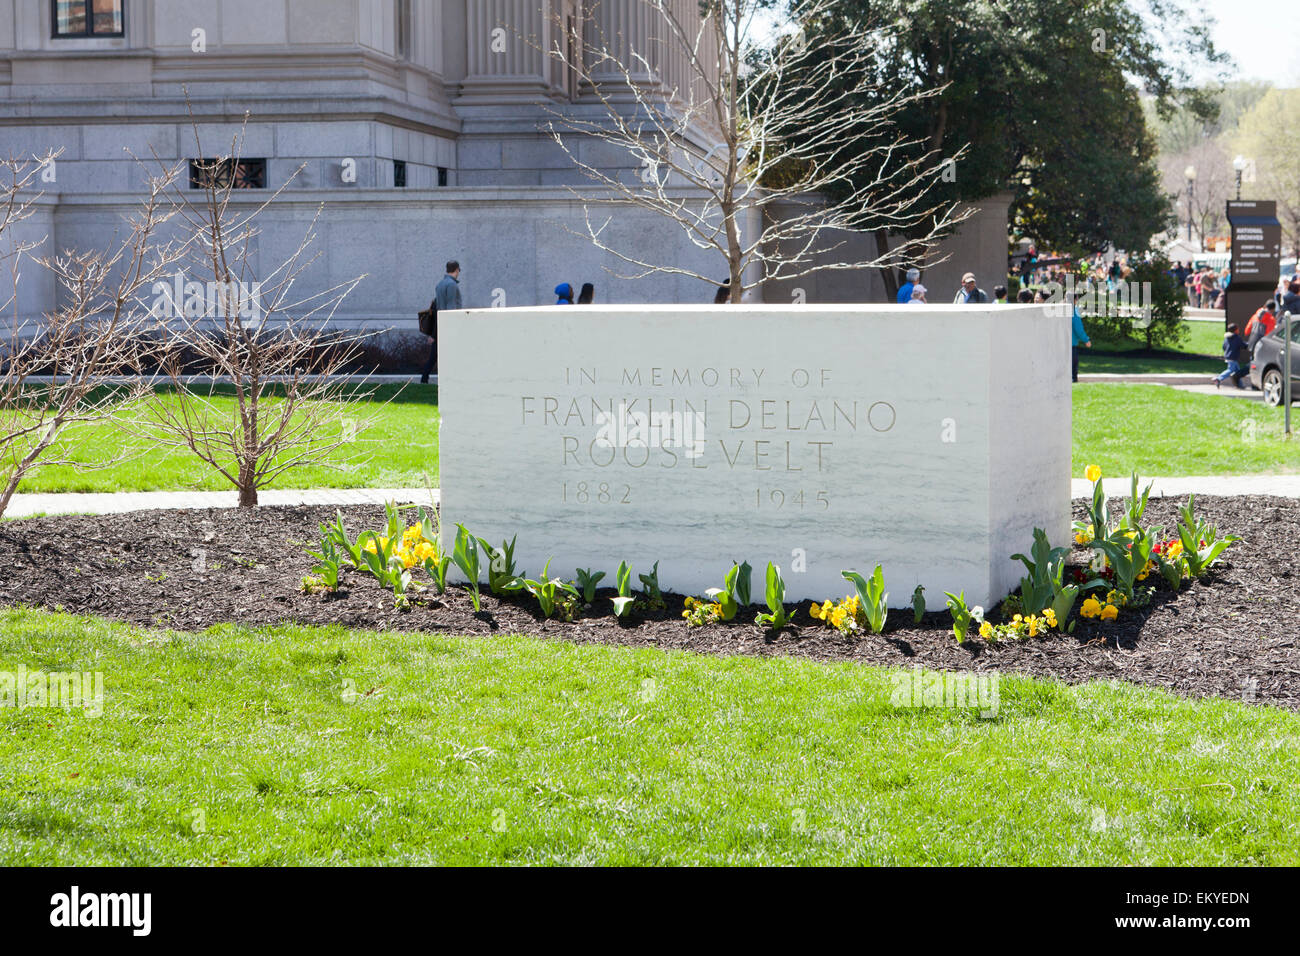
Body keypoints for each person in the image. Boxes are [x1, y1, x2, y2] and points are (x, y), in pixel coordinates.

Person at [421, 259, 461, 384]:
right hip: (448, 325)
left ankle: (424, 378)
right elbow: (451, 308)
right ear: (456, 270)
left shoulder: (440, 285)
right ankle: (452, 379)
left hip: (439, 325)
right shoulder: (452, 285)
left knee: (434, 355)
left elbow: (437, 309)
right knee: (451, 354)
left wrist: (434, 333)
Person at [1213, 324, 1249, 390]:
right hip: (1233, 357)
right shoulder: (1236, 338)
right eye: (1238, 329)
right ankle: (1218, 379)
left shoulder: (1227, 338)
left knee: (1237, 372)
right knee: (1231, 370)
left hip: (1228, 356)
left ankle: (1239, 385)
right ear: (1235, 330)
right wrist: (1249, 345)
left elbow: (1224, 346)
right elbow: (1243, 345)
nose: (1239, 330)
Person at [1071, 293, 1091, 383]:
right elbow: (1078, 328)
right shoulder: (1074, 311)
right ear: (1075, 300)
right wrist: (1086, 340)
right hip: (1071, 345)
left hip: (1060, 344)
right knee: (1072, 372)